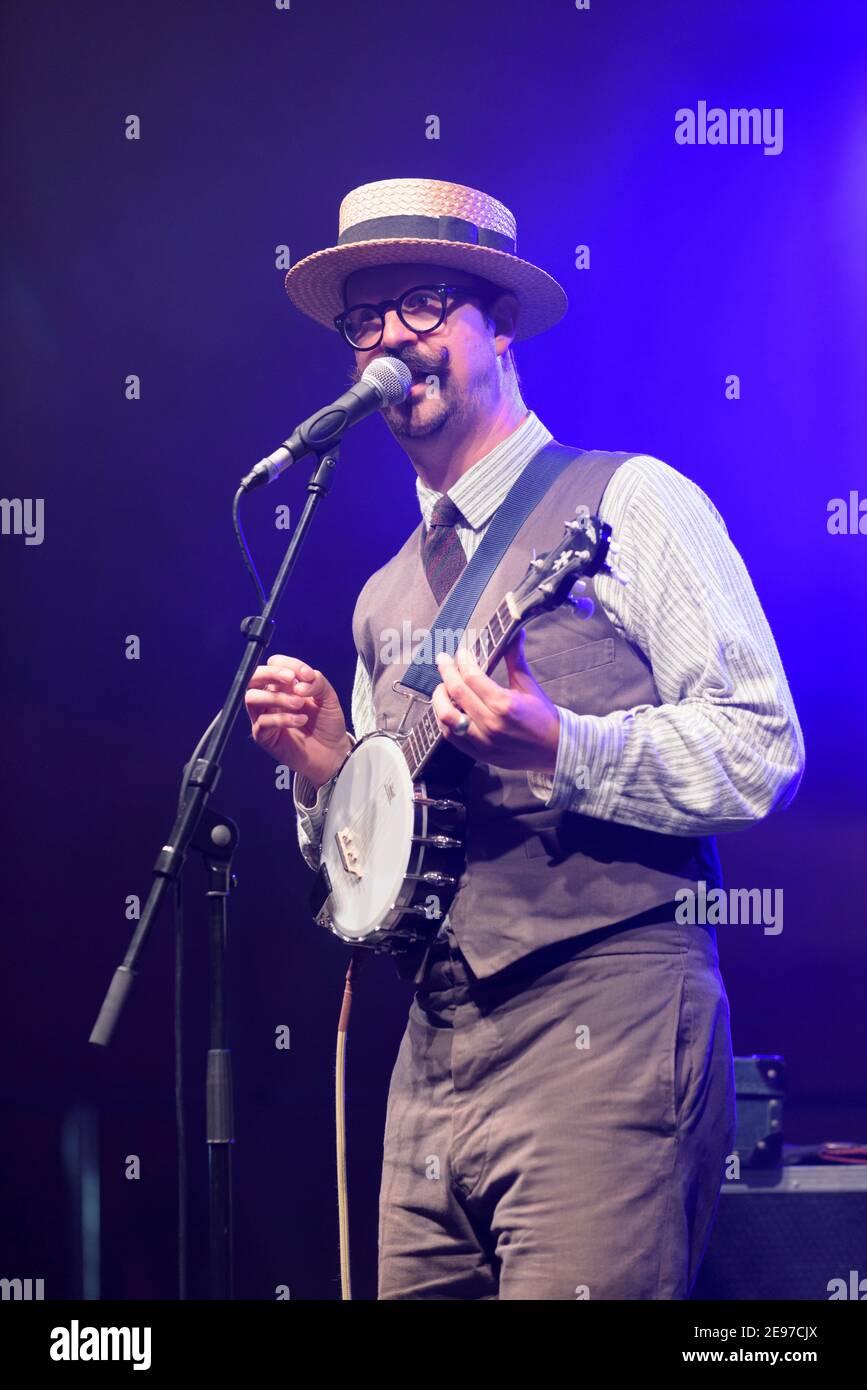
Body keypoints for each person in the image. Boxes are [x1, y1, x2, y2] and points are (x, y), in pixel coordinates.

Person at [244, 177, 805, 1299]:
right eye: (365, 319)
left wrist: (562, 747)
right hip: (435, 1055)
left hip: (610, 1024)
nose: (390, 340)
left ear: (498, 324)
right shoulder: (380, 593)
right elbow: (378, 888)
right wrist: (324, 785)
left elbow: (763, 745)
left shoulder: (632, 502)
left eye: (422, 303)